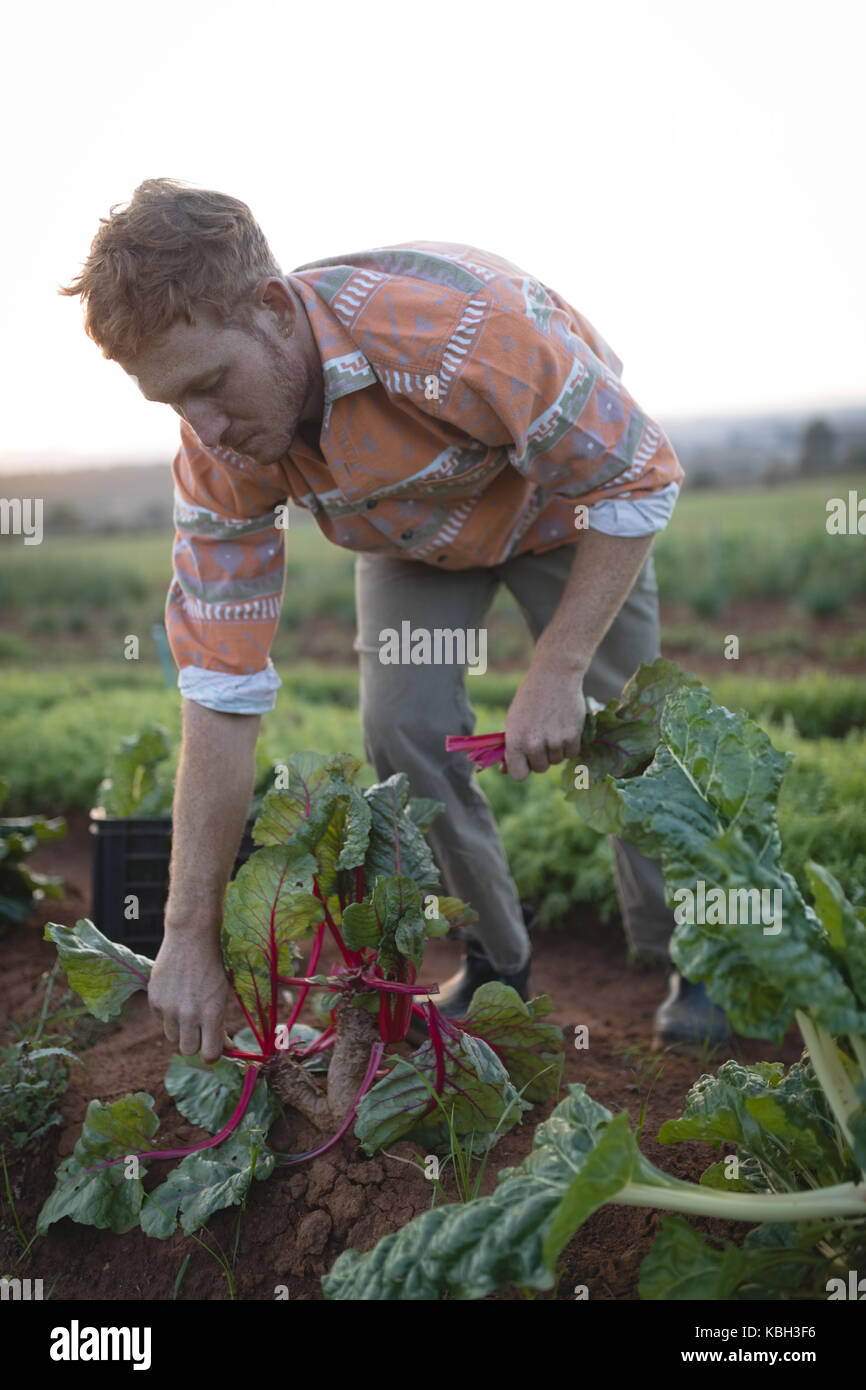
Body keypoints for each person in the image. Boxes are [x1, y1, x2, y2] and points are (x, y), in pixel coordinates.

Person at [60, 178, 730, 1063]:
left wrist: (558, 669)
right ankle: (498, 955)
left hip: (566, 509)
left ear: (269, 308)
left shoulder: (466, 330)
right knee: (402, 729)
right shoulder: (220, 451)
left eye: (212, 385)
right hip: (411, 536)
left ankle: (702, 954)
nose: (206, 427)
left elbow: (638, 476)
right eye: (176, 402)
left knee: (632, 725)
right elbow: (219, 691)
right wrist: (185, 931)